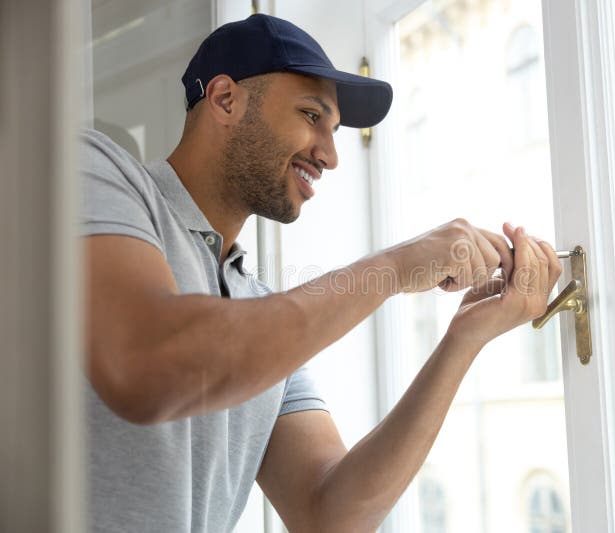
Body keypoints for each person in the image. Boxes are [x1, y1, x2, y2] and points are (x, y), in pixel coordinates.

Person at [81, 13, 562, 533]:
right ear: (225, 99)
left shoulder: (259, 316)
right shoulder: (93, 170)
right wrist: (395, 266)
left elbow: (330, 514)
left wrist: (463, 340)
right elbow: (147, 362)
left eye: (334, 132)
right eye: (312, 115)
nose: (331, 156)